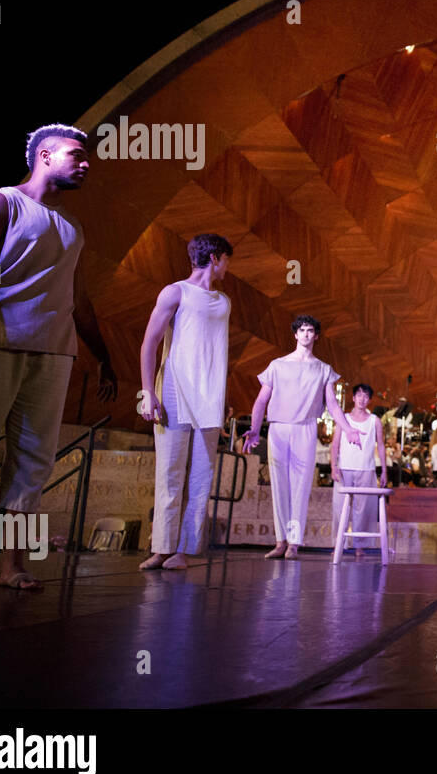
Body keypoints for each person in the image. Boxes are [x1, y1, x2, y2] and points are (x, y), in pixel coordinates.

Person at [0, 124, 118, 590]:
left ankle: (11, 566)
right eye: (76, 155)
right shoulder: (2, 203)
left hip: (54, 352)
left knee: (32, 464)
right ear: (44, 155)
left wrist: (102, 356)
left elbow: (78, 300)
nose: (86, 163)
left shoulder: (72, 226)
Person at [137, 233, 234, 571]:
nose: (227, 268)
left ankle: (185, 550)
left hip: (209, 396)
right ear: (215, 258)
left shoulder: (223, 301)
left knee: (201, 476)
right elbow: (149, 343)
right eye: (226, 261)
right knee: (169, 472)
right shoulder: (174, 292)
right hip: (175, 391)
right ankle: (162, 548)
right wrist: (148, 392)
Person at [243, 315, 357, 560]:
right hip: (278, 429)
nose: (305, 334)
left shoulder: (323, 369)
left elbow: (333, 406)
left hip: (305, 428)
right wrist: (254, 428)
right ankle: (280, 541)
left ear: (316, 336)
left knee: (300, 487)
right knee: (279, 486)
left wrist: (347, 428)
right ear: (295, 334)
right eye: (302, 330)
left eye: (310, 331)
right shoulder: (277, 365)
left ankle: (294, 542)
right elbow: (261, 400)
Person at [330, 383, 386, 559]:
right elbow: (335, 443)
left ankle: (360, 546)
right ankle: (338, 544)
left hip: (366, 469)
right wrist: (333, 465)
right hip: (344, 468)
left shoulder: (374, 421)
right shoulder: (343, 418)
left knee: (363, 510)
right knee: (339, 508)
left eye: (366, 396)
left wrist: (383, 470)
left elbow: (381, 446)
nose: (362, 399)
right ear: (353, 398)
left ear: (369, 400)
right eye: (359, 395)